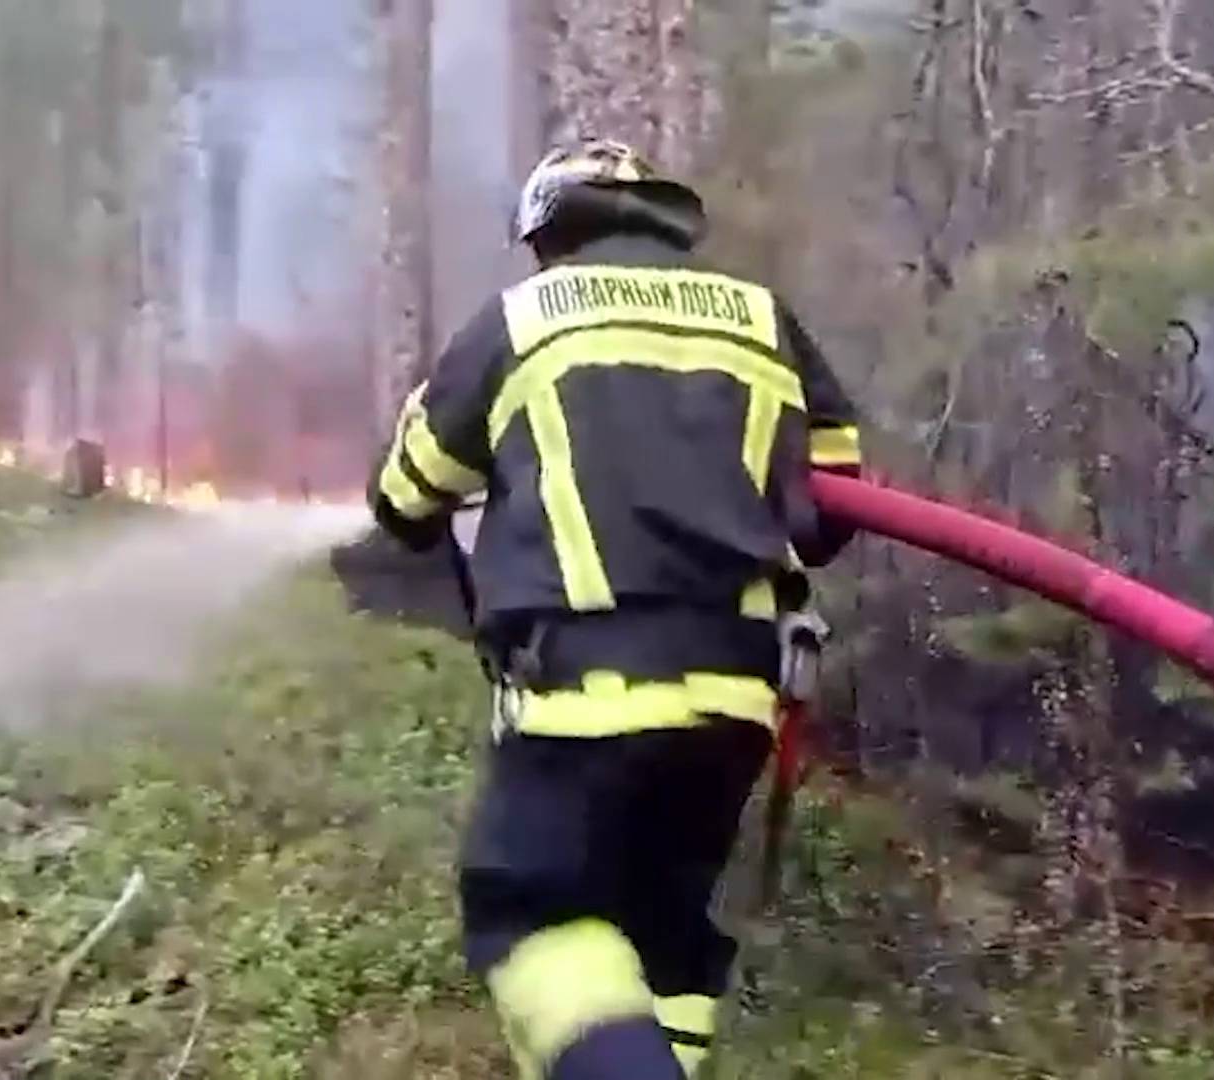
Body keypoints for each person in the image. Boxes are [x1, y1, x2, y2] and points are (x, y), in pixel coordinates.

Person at [366, 138, 865, 1079]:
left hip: (586, 694)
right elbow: (834, 495)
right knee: (664, 935)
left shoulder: (524, 320)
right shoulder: (761, 317)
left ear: (547, 235)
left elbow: (405, 497)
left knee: (528, 911)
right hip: (735, 700)